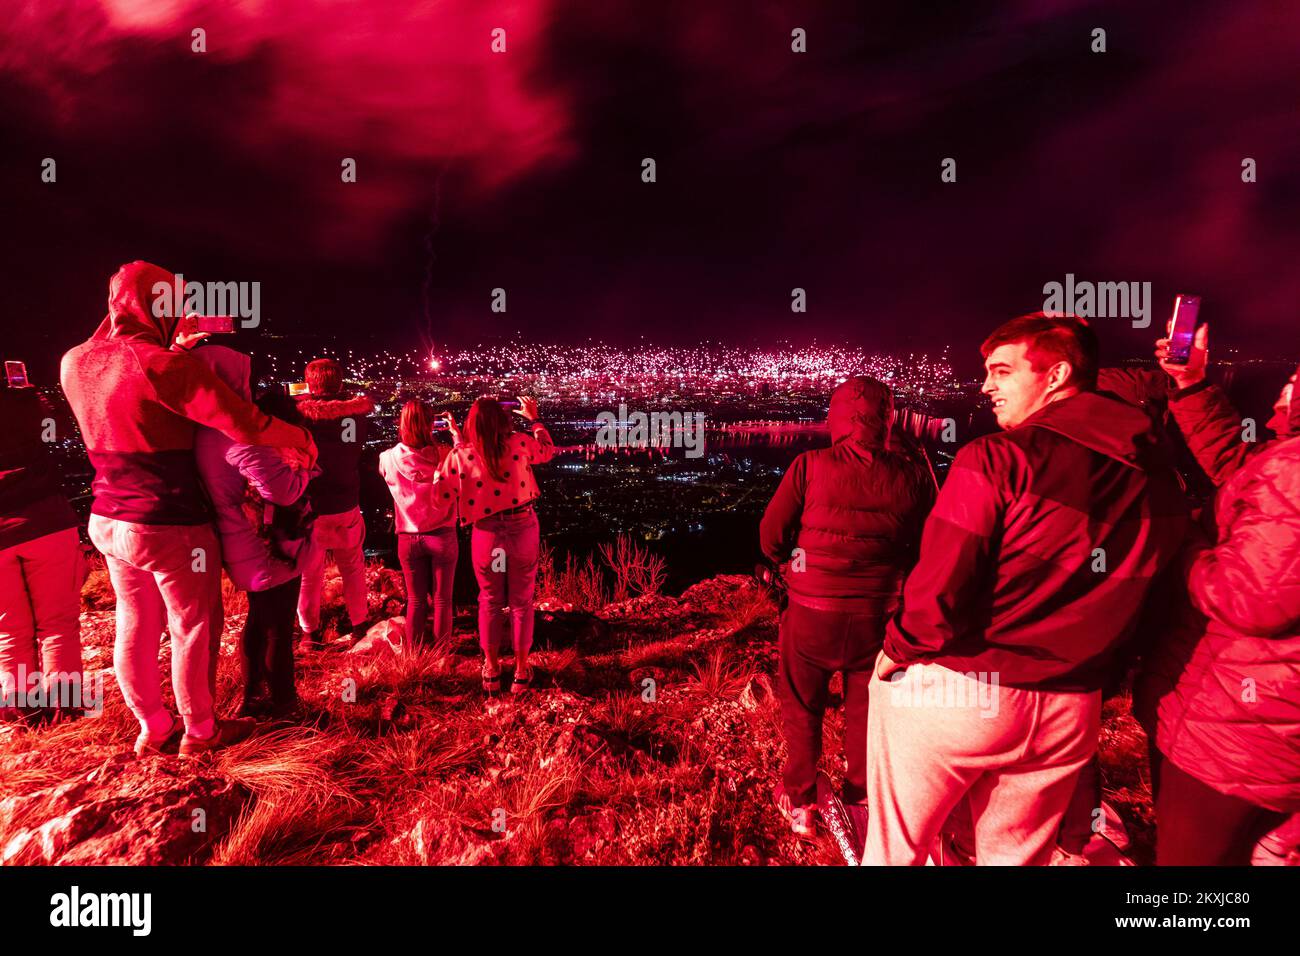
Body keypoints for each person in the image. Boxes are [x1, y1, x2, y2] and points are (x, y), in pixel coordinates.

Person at [863, 313, 1187, 866]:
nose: (986, 386)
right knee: (1016, 857)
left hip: (963, 693)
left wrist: (893, 651)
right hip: (1071, 708)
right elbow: (1149, 602)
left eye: (1003, 371)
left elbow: (937, 596)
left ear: (1056, 375)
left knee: (897, 850)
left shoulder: (996, 459)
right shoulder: (1160, 482)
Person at [61, 262, 316, 757]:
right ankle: (200, 732)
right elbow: (242, 423)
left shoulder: (74, 361)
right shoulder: (160, 365)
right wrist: (299, 436)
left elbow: (113, 350)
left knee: (134, 623)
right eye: (174, 305)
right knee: (193, 626)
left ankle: (154, 727)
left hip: (107, 519)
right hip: (167, 520)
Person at [1135, 321, 1300, 865]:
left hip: (1237, 732)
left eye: (1295, 380)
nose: (1283, 389)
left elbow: (1249, 597)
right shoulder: (1282, 465)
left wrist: (1183, 546)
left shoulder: (1293, 470)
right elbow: (1243, 471)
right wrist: (1193, 383)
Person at [759, 376, 936, 837]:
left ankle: (800, 802)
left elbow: (770, 537)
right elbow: (931, 549)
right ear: (887, 418)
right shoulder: (913, 475)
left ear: (836, 417)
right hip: (878, 619)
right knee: (867, 710)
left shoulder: (809, 465)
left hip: (811, 612)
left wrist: (793, 565)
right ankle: (859, 797)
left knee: (802, 707)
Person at [193, 346, 319, 721]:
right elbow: (283, 491)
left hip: (238, 541)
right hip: (267, 547)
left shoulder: (203, 430)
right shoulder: (238, 433)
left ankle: (254, 697)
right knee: (278, 626)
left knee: (259, 619)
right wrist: (307, 471)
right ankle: (284, 705)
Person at [435, 396, 553, 694]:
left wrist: (448, 458)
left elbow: (441, 498)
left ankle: (491, 668)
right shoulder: (520, 443)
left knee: (489, 600)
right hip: (522, 528)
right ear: (503, 421)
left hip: (487, 536)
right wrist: (535, 419)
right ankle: (522, 670)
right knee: (521, 603)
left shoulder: (460, 456)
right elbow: (546, 451)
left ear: (471, 425)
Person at [0, 378, 84, 722]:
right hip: (46, 522)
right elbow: (58, 433)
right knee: (59, 624)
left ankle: (21, 715)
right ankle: (67, 712)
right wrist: (37, 401)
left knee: (7, 629)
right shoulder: (24, 403)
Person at [294, 358, 375, 650]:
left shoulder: (300, 417)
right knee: (352, 567)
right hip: (346, 501)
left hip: (311, 503)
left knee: (309, 573)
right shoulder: (355, 417)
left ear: (310, 385)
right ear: (339, 383)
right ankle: (359, 624)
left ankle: (309, 633)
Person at [379, 400, 458, 648]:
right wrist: (457, 436)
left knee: (415, 600)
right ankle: (442, 653)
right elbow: (467, 467)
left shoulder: (387, 458)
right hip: (442, 534)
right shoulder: (445, 455)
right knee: (443, 599)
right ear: (430, 425)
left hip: (408, 536)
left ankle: (414, 656)